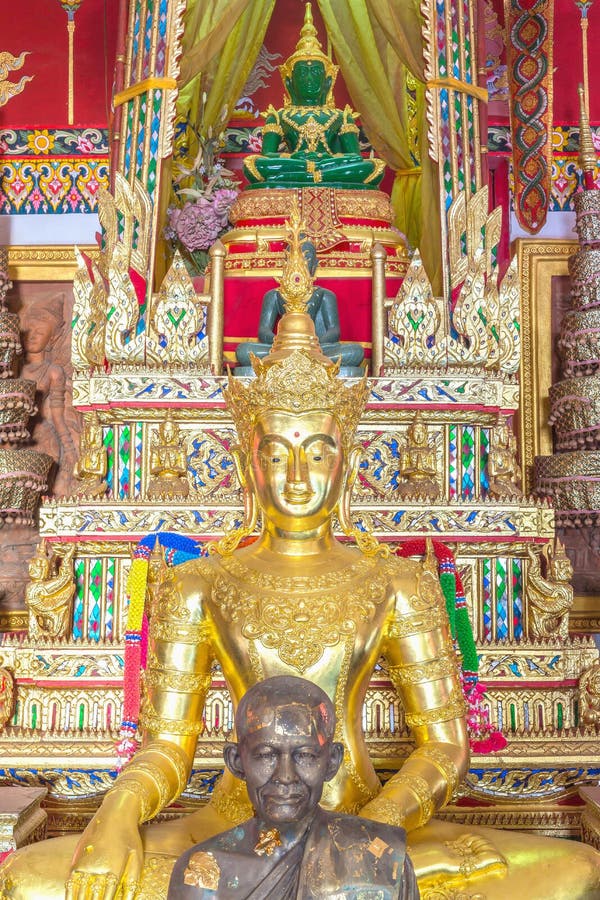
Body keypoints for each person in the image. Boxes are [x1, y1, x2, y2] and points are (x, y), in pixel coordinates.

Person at [2, 217, 600, 900]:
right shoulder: (200, 583)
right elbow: (167, 746)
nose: (297, 476)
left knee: (571, 874)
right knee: (33, 881)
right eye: (277, 453)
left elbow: (444, 748)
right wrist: (113, 821)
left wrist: (367, 832)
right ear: (245, 460)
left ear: (345, 462)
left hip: (361, 815)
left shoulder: (396, 581)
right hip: (225, 828)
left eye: (317, 453)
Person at [168, 676, 418, 899]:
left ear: (331, 762)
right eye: (266, 755)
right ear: (236, 761)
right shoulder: (202, 873)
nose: (285, 776)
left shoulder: (379, 857)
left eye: (306, 755)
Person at [243, 4, 385, 190]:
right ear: (289, 81)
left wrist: (327, 160)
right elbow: (267, 156)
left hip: (325, 167)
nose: (309, 79)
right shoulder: (278, 116)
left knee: (375, 166)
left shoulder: (341, 116)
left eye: (315, 72)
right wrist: (293, 157)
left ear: (327, 79)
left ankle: (312, 174)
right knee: (253, 164)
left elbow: (354, 157)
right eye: (302, 73)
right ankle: (315, 174)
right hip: (297, 165)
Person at [235, 240, 364, 375]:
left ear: (314, 266)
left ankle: (289, 362)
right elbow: (264, 330)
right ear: (285, 265)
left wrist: (311, 345)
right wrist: (284, 343)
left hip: (318, 349)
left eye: (305, 259)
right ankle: (298, 361)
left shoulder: (325, 295)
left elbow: (334, 331)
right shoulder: (274, 295)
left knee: (355, 352)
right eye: (293, 259)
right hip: (281, 349)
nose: (299, 264)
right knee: (243, 351)